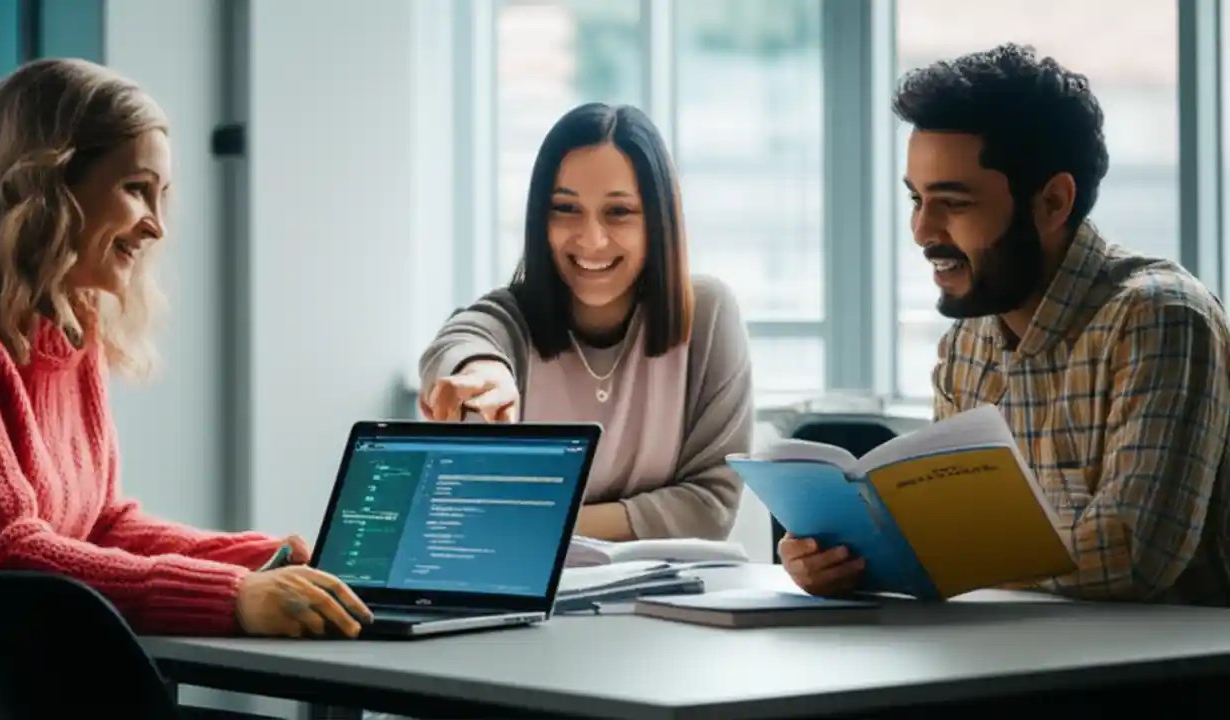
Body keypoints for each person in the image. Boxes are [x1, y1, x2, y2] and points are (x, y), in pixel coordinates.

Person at [0, 58, 375, 717]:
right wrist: (233, 595)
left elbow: (102, 525)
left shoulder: (70, 324)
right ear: (50, 185)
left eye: (161, 195)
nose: (156, 225)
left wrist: (264, 558)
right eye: (136, 188)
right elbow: (12, 557)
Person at [780, 43, 1230, 606]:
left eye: (954, 203)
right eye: (916, 199)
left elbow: (1130, 554)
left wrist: (926, 552)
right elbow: (944, 524)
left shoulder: (1159, 318)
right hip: (1005, 658)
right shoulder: (968, 339)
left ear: (1052, 202)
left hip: (1156, 678)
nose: (922, 230)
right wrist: (839, 561)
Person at [418, 103, 754, 542]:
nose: (591, 239)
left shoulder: (708, 315)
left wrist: (535, 521)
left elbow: (710, 510)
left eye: (618, 212)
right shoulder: (511, 318)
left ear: (657, 221)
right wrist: (483, 374)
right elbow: (464, 340)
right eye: (565, 208)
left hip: (668, 601)